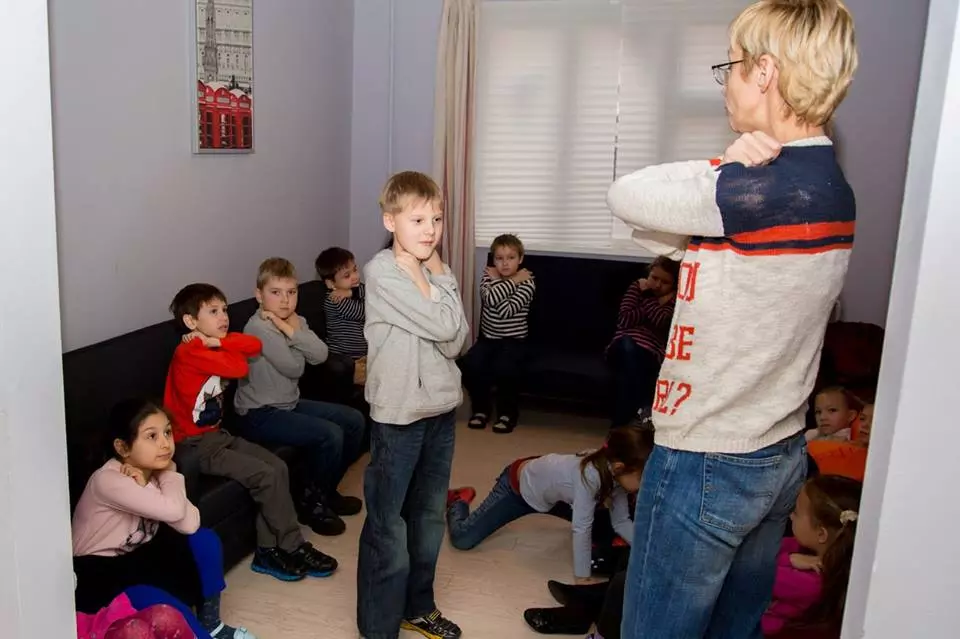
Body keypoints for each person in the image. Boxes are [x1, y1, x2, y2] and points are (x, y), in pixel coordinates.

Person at [604, 1, 859, 636]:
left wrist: (729, 165)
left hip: (706, 460)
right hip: (777, 451)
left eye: (732, 67)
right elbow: (670, 236)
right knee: (733, 627)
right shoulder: (829, 186)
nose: (728, 83)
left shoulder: (749, 188)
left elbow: (624, 194)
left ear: (766, 72)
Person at [524, 474, 862, 639]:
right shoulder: (809, 554)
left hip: (742, 624)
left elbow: (745, 572)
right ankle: (586, 605)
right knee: (638, 568)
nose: (790, 517)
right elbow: (771, 558)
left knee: (640, 577)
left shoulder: (811, 579)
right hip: (742, 607)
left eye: (798, 514)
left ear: (822, 533)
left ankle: (589, 614)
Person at [356, 170, 470, 639]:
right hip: (398, 417)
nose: (429, 230)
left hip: (441, 411)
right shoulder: (381, 271)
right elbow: (447, 328)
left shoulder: (433, 270)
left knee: (426, 519)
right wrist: (439, 285)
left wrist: (436, 276)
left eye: (437, 220)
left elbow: (459, 340)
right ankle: (379, 627)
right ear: (390, 221)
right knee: (389, 526)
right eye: (417, 219)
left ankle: (418, 607)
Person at [164, 284, 336, 581]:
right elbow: (240, 366)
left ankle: (267, 551)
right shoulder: (189, 351)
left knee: (277, 466)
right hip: (192, 446)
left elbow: (254, 346)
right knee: (265, 474)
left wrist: (216, 341)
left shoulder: (209, 343)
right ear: (191, 322)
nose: (224, 317)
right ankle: (293, 546)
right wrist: (214, 345)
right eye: (213, 311)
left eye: (225, 310)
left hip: (217, 436)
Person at [72, 399, 255, 639]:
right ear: (123, 447)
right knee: (160, 602)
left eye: (167, 432)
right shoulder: (108, 480)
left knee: (203, 540)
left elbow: (189, 523)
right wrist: (170, 473)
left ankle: (212, 625)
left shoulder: (151, 470)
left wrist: (163, 475)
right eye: (152, 436)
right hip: (99, 574)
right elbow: (173, 512)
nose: (165, 444)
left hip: (136, 557)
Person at [234, 258, 366, 536]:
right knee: (330, 434)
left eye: (291, 292)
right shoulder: (257, 328)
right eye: (276, 292)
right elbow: (295, 367)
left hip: (287, 404)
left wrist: (292, 329)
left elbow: (320, 355)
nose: (285, 301)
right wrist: (290, 330)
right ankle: (311, 504)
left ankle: (324, 491)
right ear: (259, 295)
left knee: (353, 420)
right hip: (259, 413)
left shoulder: (294, 320)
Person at [447, 427, 649, 575]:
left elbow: (621, 521)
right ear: (620, 467)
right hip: (518, 489)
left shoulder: (615, 475)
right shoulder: (588, 480)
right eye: (643, 478)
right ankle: (458, 500)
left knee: (603, 527)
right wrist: (582, 577)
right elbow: (581, 530)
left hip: (554, 492)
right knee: (463, 539)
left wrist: (647, 551)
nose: (648, 483)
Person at [459, 233, 536, 433]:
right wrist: (512, 282)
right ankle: (481, 409)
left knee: (506, 368)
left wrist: (504, 283)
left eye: (510, 258)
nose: (505, 264)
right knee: (470, 364)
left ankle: (507, 413)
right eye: (499, 258)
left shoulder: (528, 282)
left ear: (520, 259)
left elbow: (504, 311)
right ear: (493, 259)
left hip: (514, 341)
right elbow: (489, 299)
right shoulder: (488, 275)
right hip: (488, 339)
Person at [607, 256, 680, 428]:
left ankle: (618, 427)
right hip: (621, 345)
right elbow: (625, 320)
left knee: (629, 373)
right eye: (654, 278)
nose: (657, 285)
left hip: (651, 351)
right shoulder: (636, 287)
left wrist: (646, 297)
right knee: (629, 347)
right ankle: (643, 410)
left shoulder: (674, 300)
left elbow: (660, 321)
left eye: (665, 282)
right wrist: (654, 303)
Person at [315, 246, 368, 385]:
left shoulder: (355, 290)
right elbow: (366, 311)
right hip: (347, 359)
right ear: (331, 283)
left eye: (355, 270)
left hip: (363, 356)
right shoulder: (335, 300)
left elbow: (371, 292)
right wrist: (353, 294)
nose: (355, 276)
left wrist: (352, 293)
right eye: (347, 275)